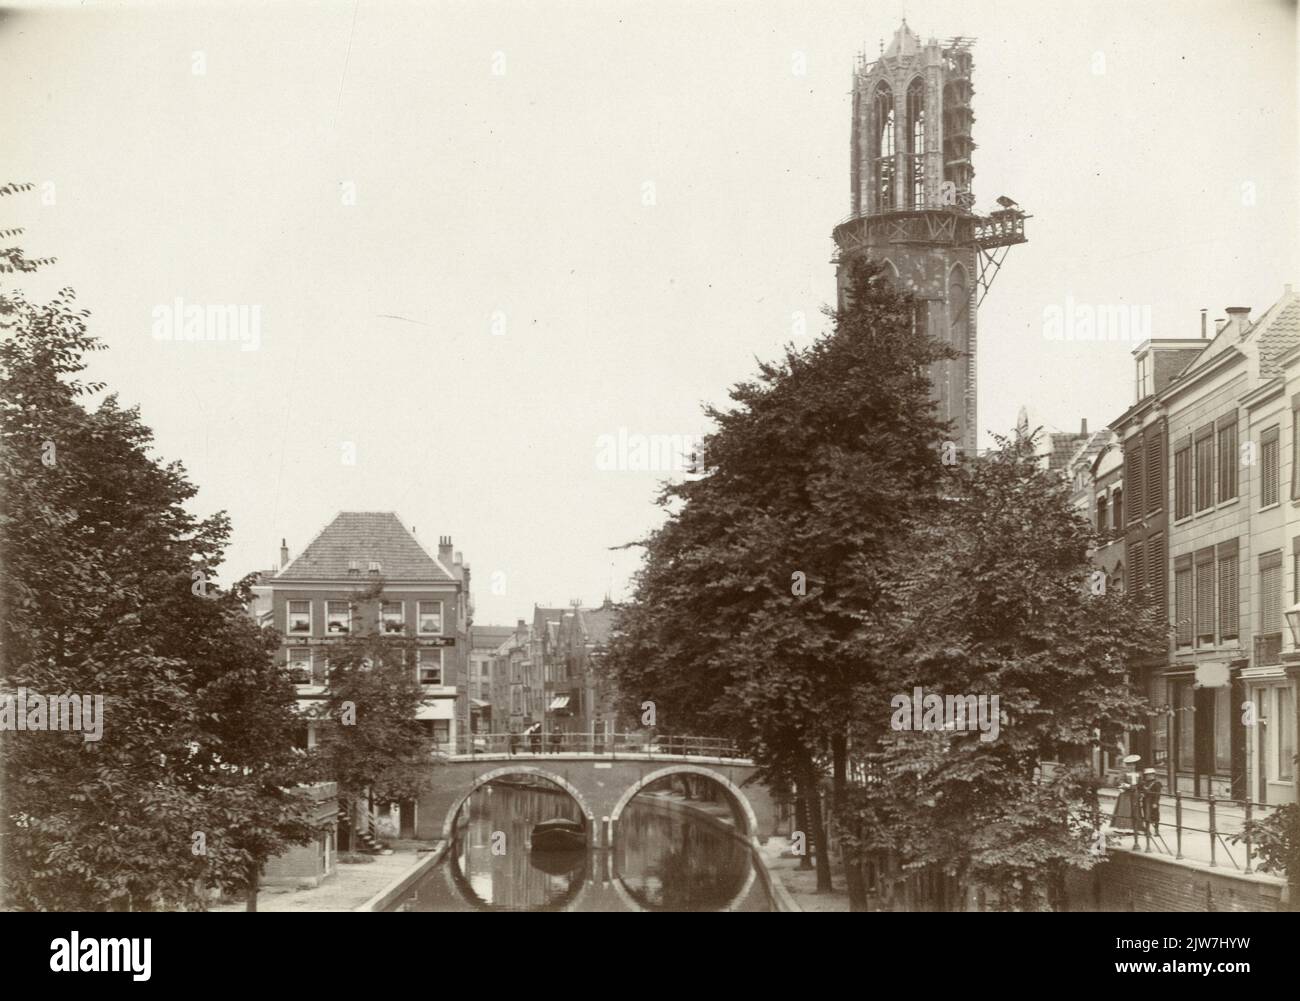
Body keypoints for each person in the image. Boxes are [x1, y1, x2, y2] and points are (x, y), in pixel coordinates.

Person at [1137, 767, 1162, 837]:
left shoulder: (1157, 783)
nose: (1149, 776)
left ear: (1154, 775)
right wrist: (1141, 794)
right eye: (1147, 775)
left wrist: (1155, 803)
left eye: (1151, 775)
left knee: (1155, 816)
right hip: (1146, 801)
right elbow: (1139, 790)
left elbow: (1158, 794)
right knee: (1146, 815)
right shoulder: (1144, 783)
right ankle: (1147, 830)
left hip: (1153, 802)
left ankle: (1156, 831)